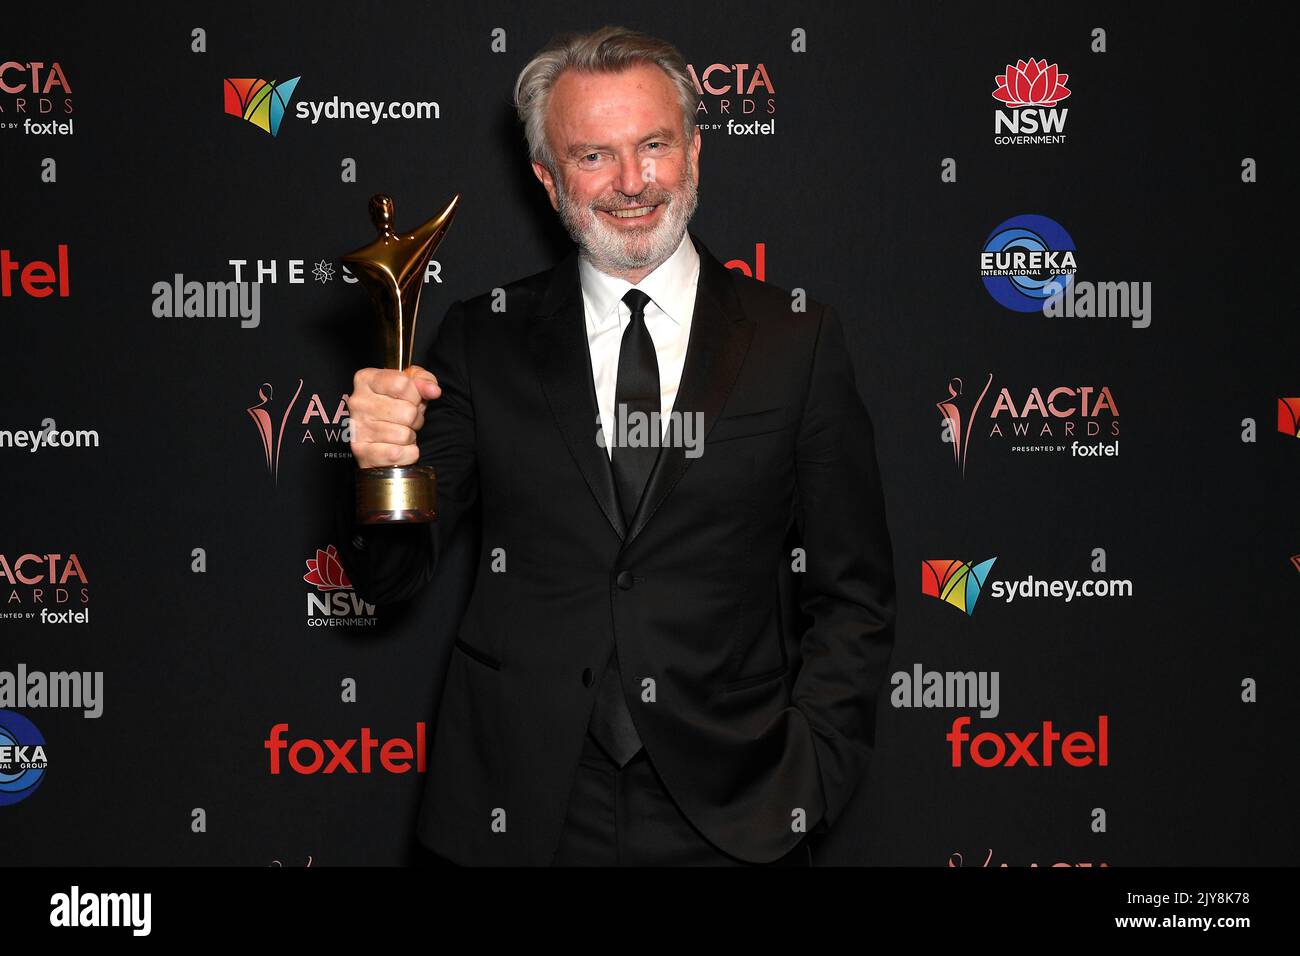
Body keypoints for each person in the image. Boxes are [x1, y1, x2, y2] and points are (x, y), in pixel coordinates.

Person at [338, 24, 896, 866]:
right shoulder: (481, 338)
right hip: (519, 808)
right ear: (548, 179)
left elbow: (854, 594)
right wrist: (383, 467)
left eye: (655, 146)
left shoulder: (797, 340)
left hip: (733, 807)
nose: (633, 183)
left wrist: (808, 779)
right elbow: (391, 576)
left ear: (696, 154)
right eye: (594, 156)